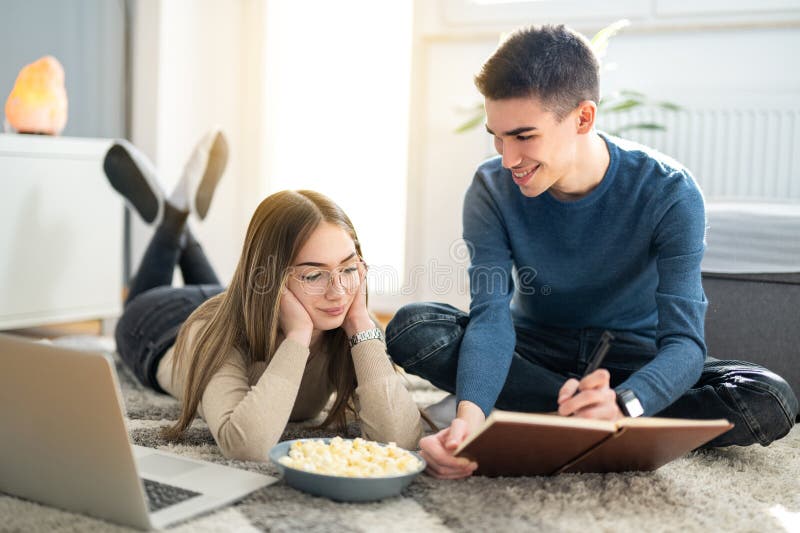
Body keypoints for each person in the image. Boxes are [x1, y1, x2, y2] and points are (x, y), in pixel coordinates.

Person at [385, 24, 798, 479]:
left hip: (631, 360)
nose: (507, 158)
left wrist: (627, 400)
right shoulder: (491, 188)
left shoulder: (670, 192)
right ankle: (587, 418)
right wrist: (470, 418)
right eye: (497, 136)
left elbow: (684, 344)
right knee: (414, 328)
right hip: (536, 349)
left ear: (583, 118)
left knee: (770, 396)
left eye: (524, 136)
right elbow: (491, 315)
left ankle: (583, 415)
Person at [106, 129, 423, 461]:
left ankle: (179, 216)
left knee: (232, 296)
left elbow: (399, 440)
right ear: (273, 281)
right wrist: (298, 337)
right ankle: (174, 220)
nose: (340, 291)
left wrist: (360, 324)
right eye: (314, 274)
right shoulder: (216, 335)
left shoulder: (350, 319)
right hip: (159, 324)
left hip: (236, 297)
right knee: (142, 302)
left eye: (348, 267)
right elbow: (245, 446)